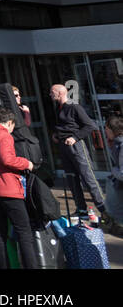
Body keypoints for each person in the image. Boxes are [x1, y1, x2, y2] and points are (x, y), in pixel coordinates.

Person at [0, 106, 37, 269]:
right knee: (24, 232)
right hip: (8, 189)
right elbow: (7, 159)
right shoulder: (2, 135)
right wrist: (27, 163)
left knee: (0, 232)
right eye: (13, 126)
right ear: (10, 123)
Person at [50, 83, 109, 222]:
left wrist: (75, 137)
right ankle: (81, 209)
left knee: (87, 176)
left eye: (52, 92)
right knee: (72, 178)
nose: (50, 95)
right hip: (64, 146)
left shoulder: (74, 106)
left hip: (76, 146)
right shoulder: (59, 108)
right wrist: (57, 136)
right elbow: (65, 126)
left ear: (60, 93)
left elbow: (90, 126)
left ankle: (104, 209)